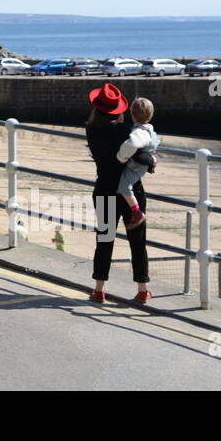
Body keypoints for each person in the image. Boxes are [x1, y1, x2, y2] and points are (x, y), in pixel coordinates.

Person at [85, 82, 151, 305]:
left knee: (104, 240)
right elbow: (142, 157)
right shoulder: (126, 132)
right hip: (130, 191)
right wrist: (152, 162)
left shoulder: (91, 129)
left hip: (104, 189)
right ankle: (142, 289)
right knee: (137, 241)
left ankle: (99, 289)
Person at [116, 97, 160, 229]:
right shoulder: (148, 129)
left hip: (135, 167)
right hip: (141, 166)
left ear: (132, 114)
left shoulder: (139, 132)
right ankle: (135, 210)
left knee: (123, 186)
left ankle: (136, 212)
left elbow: (132, 144)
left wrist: (121, 157)